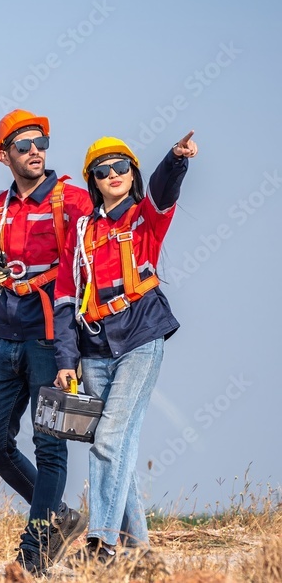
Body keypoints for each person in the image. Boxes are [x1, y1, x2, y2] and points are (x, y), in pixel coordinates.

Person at [53, 132, 198, 564]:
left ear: (131, 173)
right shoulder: (79, 233)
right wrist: (66, 360)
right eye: (103, 170)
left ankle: (101, 546)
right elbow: (63, 299)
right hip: (94, 346)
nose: (113, 175)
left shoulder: (143, 219)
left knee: (110, 439)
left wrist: (174, 160)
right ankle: (140, 552)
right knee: (119, 447)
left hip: (141, 334)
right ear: (92, 181)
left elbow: (162, 193)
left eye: (121, 167)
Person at [0, 109, 93, 574]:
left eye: (41, 141)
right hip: (7, 340)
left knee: (50, 445)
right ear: (5, 156)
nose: (36, 150)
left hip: (54, 342)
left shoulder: (75, 202)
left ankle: (35, 547)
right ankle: (58, 516)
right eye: (24, 145)